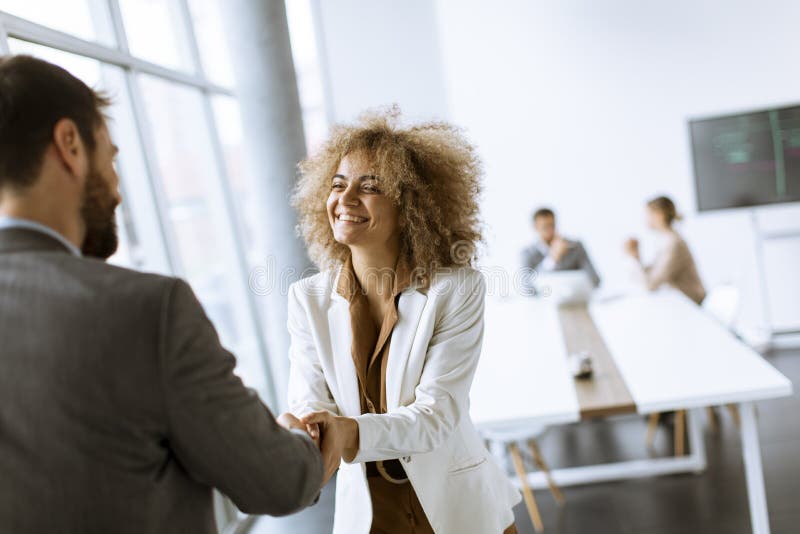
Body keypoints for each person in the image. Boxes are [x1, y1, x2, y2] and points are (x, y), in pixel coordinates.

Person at [0, 55, 326, 534]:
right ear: (69, 144)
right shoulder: (145, 311)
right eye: (110, 158)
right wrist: (303, 439)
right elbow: (277, 480)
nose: (116, 189)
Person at [286, 108, 521, 534]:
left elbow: (436, 415)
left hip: (459, 506)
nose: (346, 199)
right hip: (370, 513)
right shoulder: (307, 300)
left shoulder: (458, 289)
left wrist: (347, 432)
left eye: (370, 186)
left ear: (409, 205)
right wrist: (308, 429)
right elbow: (309, 400)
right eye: (338, 184)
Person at [624, 195, 706, 304]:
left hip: (692, 303)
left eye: (648, 214)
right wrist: (636, 257)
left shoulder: (673, 243)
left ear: (659, 215)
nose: (645, 219)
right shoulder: (664, 240)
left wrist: (633, 258)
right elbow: (652, 274)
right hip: (680, 301)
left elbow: (651, 284)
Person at [521, 207, 601, 287]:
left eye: (552, 225)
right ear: (536, 228)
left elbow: (595, 279)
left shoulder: (575, 246)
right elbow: (528, 287)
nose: (550, 231)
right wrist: (552, 259)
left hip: (577, 295)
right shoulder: (527, 253)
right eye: (545, 227)